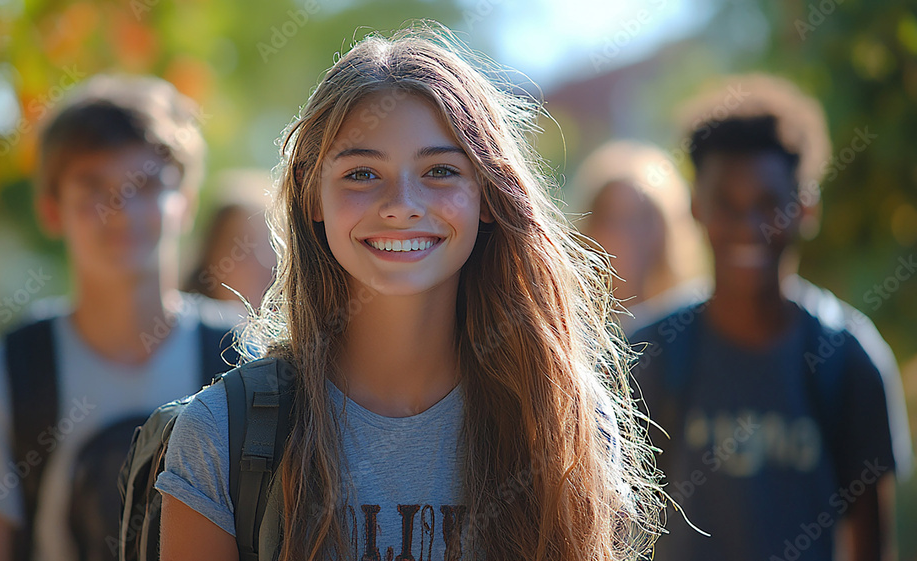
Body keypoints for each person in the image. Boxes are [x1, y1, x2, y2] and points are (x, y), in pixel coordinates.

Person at [155, 23, 664, 561]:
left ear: (489, 195)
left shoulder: (567, 425)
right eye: (362, 174)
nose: (402, 204)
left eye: (440, 170)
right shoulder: (223, 434)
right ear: (312, 195)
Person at [0, 74, 241, 561]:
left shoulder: (246, 362)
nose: (121, 209)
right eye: (93, 186)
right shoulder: (3, 378)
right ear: (50, 209)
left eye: (147, 184)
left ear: (187, 203)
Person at [631, 73, 911, 561]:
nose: (748, 226)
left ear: (805, 208)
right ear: (697, 207)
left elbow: (872, 543)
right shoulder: (648, 353)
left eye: (768, 205)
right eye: (728, 204)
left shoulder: (849, 359)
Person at [568, 140, 708, 332]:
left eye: (642, 217)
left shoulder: (694, 325)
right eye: (611, 217)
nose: (625, 234)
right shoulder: (566, 328)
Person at [184, 169, 278, 307]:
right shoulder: (179, 324)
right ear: (211, 254)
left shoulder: (304, 326)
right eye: (243, 248)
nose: (264, 262)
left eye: (273, 247)